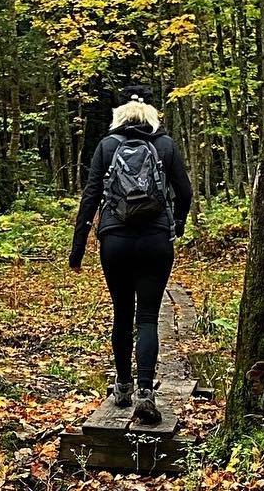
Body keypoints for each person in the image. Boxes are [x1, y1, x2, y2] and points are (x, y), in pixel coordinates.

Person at [69, 84, 194, 424]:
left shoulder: (108, 146)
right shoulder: (165, 145)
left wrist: (78, 248)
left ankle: (122, 387)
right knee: (149, 318)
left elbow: (91, 196)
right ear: (152, 112)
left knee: (122, 313)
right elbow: (185, 192)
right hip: (155, 241)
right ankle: (145, 392)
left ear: (120, 113)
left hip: (116, 240)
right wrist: (177, 225)